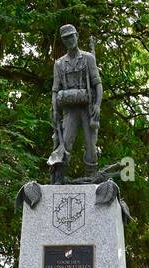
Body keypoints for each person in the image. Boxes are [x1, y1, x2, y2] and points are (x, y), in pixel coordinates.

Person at [49, 24, 101, 182]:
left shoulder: (88, 58)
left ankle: (91, 177)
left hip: (87, 107)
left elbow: (97, 84)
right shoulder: (59, 64)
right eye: (65, 38)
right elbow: (55, 90)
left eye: (71, 36)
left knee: (91, 143)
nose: (69, 40)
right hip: (69, 110)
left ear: (77, 36)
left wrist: (97, 105)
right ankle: (59, 176)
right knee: (65, 142)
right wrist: (55, 110)